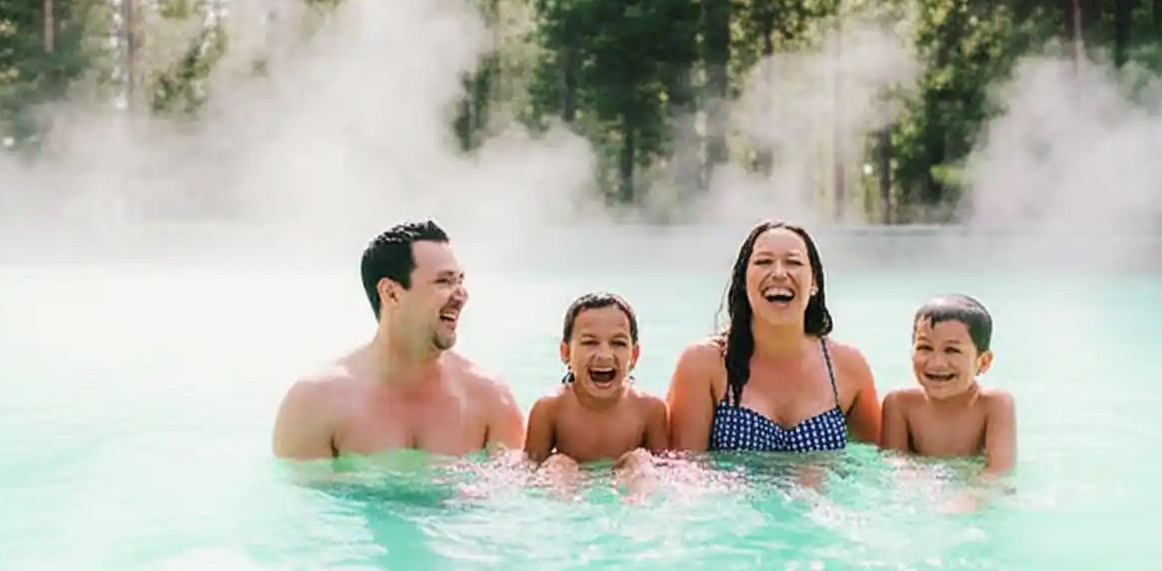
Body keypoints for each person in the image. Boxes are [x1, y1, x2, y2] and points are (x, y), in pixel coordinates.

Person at [271, 220, 525, 459]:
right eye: (444, 281)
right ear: (391, 293)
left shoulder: (492, 400)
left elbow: (507, 500)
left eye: (460, 281)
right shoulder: (315, 404)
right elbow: (304, 502)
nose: (462, 295)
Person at [665, 220, 882, 453]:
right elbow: (685, 471)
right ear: (743, 281)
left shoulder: (848, 367)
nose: (779, 273)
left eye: (793, 262)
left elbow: (878, 464)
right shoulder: (703, 365)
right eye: (763, 262)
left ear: (815, 283)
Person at [525, 292, 668, 466]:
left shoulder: (650, 410)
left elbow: (665, 471)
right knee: (559, 465)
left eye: (618, 343)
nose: (604, 355)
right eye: (590, 342)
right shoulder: (550, 409)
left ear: (634, 355)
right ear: (566, 353)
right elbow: (529, 471)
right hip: (568, 487)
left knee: (639, 462)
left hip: (627, 486)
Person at [880, 294, 1017, 473]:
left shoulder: (994, 405)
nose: (937, 363)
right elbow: (894, 465)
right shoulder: (899, 404)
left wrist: (967, 498)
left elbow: (998, 474)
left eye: (952, 350)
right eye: (925, 348)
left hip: (970, 490)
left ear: (983, 362)